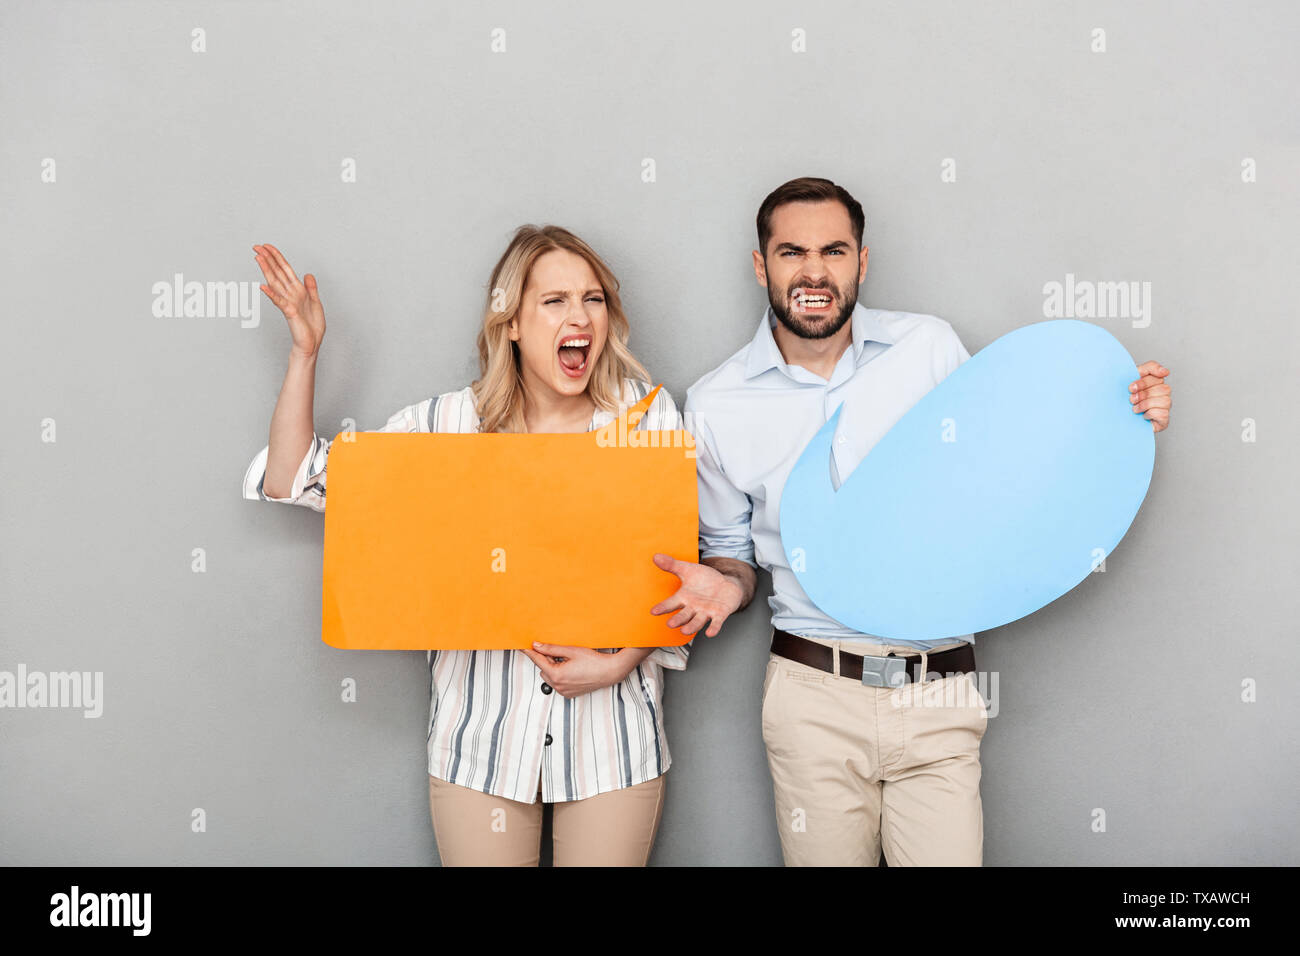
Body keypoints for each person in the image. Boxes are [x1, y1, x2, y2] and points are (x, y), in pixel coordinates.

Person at [650, 176, 1174, 866]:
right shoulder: (716, 401)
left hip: (939, 690)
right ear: (761, 265)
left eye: (834, 251)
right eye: (791, 252)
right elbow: (728, 550)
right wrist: (726, 584)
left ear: (862, 262)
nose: (814, 271)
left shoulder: (927, 349)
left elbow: (1004, 471)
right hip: (812, 699)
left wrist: (1123, 413)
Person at [241, 226, 691, 866]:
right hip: (479, 749)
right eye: (554, 300)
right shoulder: (442, 428)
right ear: (510, 321)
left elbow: (677, 572)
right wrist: (305, 353)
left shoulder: (647, 422)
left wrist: (621, 662)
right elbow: (293, 479)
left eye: (593, 299)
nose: (580, 317)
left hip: (612, 744)